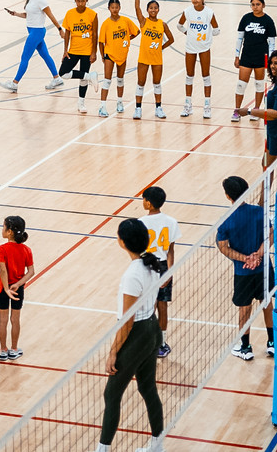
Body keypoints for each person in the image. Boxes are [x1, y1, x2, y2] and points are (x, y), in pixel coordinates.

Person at [95, 218, 166, 452]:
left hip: (137, 335)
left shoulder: (132, 275)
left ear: (123, 242)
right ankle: (157, 446)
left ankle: (103, 449)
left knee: (111, 394)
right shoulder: (152, 264)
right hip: (152, 329)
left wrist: (113, 352)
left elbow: (127, 321)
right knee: (148, 389)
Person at [217, 176, 275, 360]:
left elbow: (223, 247)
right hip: (263, 268)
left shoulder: (226, 220)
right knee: (267, 303)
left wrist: (245, 258)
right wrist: (258, 255)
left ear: (228, 196)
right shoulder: (259, 212)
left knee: (244, 308)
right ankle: (272, 343)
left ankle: (245, 347)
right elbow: (271, 234)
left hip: (243, 273)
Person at [1, 0, 65, 92]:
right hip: (33, 31)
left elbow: (50, 15)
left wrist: (59, 29)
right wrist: (15, 14)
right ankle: (57, 78)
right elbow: (29, 15)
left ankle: (14, 83)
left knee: (24, 58)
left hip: (37, 32)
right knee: (45, 55)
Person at [237, 50, 277, 166]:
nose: (272, 66)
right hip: (274, 131)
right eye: (271, 63)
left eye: (276, 63)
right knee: (266, 164)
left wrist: (250, 111)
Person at [139, 186, 180, 358]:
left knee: (148, 307)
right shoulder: (171, 221)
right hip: (163, 266)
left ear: (148, 203)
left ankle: (147, 342)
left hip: (146, 266)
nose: (142, 202)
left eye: (143, 199)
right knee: (162, 306)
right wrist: (169, 272)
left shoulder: (140, 223)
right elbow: (171, 250)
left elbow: (139, 251)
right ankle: (161, 343)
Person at [132, 0, 175, 120]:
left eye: (155, 8)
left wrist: (161, 48)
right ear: (147, 10)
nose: (153, 10)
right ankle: (138, 109)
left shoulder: (163, 24)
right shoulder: (144, 21)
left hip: (157, 58)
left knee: (157, 83)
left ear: (158, 9)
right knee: (141, 83)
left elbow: (171, 39)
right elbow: (137, 8)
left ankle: (158, 108)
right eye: (151, 8)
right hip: (144, 57)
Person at [0, 216, 34, 361]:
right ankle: (14, 349)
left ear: (9, 231)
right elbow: (31, 271)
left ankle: (3, 350)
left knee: (3, 320)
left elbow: (3, 271)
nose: (2, 229)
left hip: (3, 289)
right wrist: (18, 284)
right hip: (17, 289)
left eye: (3, 226)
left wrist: (6, 289)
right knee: (15, 319)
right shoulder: (26, 250)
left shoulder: (1, 249)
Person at [233, 0, 277, 122]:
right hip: (246, 56)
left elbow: (272, 42)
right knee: (241, 84)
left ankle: (256, 110)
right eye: (253, 4)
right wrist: (237, 56)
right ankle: (237, 110)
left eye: (258, 4)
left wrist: (270, 59)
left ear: (263, 5)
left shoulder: (268, 21)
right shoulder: (246, 18)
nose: (255, 7)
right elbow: (239, 39)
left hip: (261, 57)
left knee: (259, 84)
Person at [177, 0, 219, 118]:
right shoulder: (187, 11)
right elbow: (179, 25)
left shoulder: (209, 12)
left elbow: (216, 30)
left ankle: (207, 107)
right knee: (189, 76)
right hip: (190, 47)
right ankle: (188, 105)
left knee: (206, 76)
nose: (195, 1)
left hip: (204, 48)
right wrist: (187, 33)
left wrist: (207, 36)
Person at [59, 0, 100, 114]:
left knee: (83, 80)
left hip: (87, 51)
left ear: (87, 0)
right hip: (73, 50)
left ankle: (81, 103)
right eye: (78, 1)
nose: (81, 3)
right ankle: (90, 76)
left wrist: (94, 52)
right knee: (63, 73)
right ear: (75, 1)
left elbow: (95, 34)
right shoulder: (70, 13)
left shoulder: (92, 14)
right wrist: (65, 50)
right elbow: (67, 33)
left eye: (83, 1)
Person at [97, 0, 139, 117]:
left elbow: (136, 32)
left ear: (119, 7)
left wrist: (127, 39)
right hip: (109, 54)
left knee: (120, 79)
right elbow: (101, 42)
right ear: (109, 8)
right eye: (112, 7)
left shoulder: (125, 21)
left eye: (116, 7)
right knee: (107, 80)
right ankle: (102, 106)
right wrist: (103, 56)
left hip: (122, 54)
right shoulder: (106, 23)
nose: (114, 10)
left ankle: (120, 103)